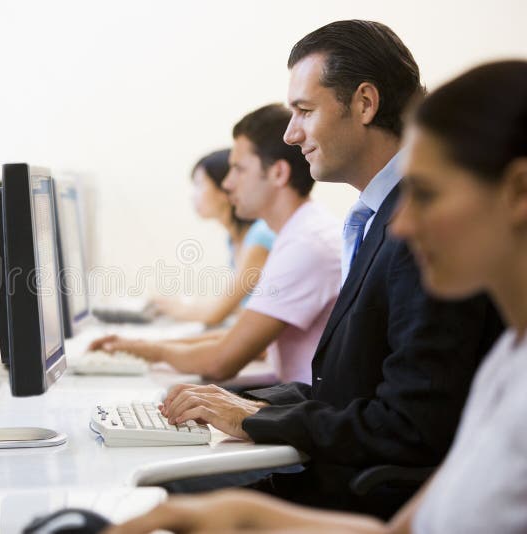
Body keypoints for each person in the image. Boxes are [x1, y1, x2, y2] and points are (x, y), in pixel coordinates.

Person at [106, 59, 527, 534]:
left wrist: (257, 426)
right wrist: (249, 513)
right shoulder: (508, 361)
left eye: (426, 193)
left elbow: (405, 425)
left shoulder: (319, 241)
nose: (405, 225)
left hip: (349, 475)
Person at [91, 104, 342, 385]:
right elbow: (240, 334)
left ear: (278, 174)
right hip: (294, 399)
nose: (228, 183)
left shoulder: (305, 245)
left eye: (238, 169)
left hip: (305, 412)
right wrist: (144, 348)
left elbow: (221, 362)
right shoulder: (297, 232)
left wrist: (154, 351)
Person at [153, 149, 276, 327]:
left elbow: (216, 314)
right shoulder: (234, 240)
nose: (193, 196)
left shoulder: (260, 235)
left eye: (199, 185)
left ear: (225, 188)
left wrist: (171, 308)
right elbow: (236, 306)